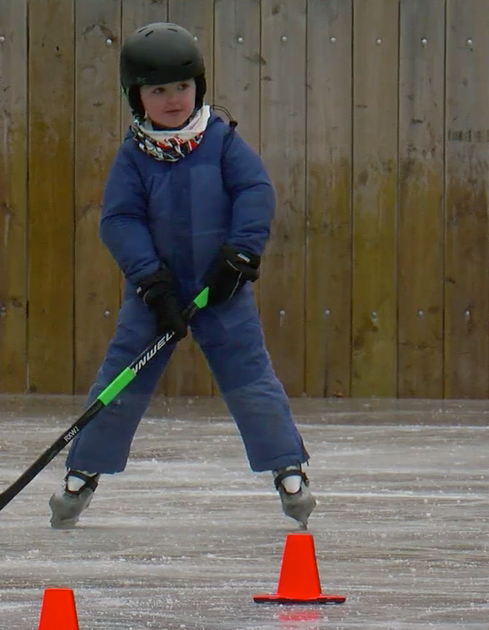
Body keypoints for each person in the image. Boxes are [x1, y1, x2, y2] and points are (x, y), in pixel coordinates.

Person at [49, 22, 316, 530]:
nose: (172, 100)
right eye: (158, 90)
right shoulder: (133, 157)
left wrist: (240, 253)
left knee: (249, 377)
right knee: (121, 378)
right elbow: (119, 220)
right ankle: (83, 472)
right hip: (158, 294)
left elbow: (255, 192)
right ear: (137, 97)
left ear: (199, 87)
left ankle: (288, 468)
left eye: (181, 87)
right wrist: (150, 279)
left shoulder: (219, 141)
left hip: (222, 288)